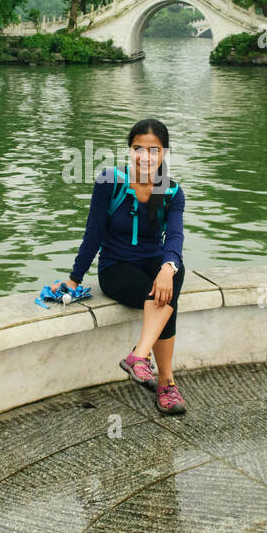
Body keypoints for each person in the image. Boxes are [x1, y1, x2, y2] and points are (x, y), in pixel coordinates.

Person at [53, 118, 187, 414]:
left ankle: (139, 357)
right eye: (138, 148)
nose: (145, 156)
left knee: (174, 273)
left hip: (152, 265)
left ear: (164, 153)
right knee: (167, 298)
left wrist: (167, 267)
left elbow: (175, 238)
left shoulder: (173, 192)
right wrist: (74, 279)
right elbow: (93, 234)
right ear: (129, 150)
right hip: (116, 270)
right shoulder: (109, 181)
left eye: (153, 150)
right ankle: (166, 383)